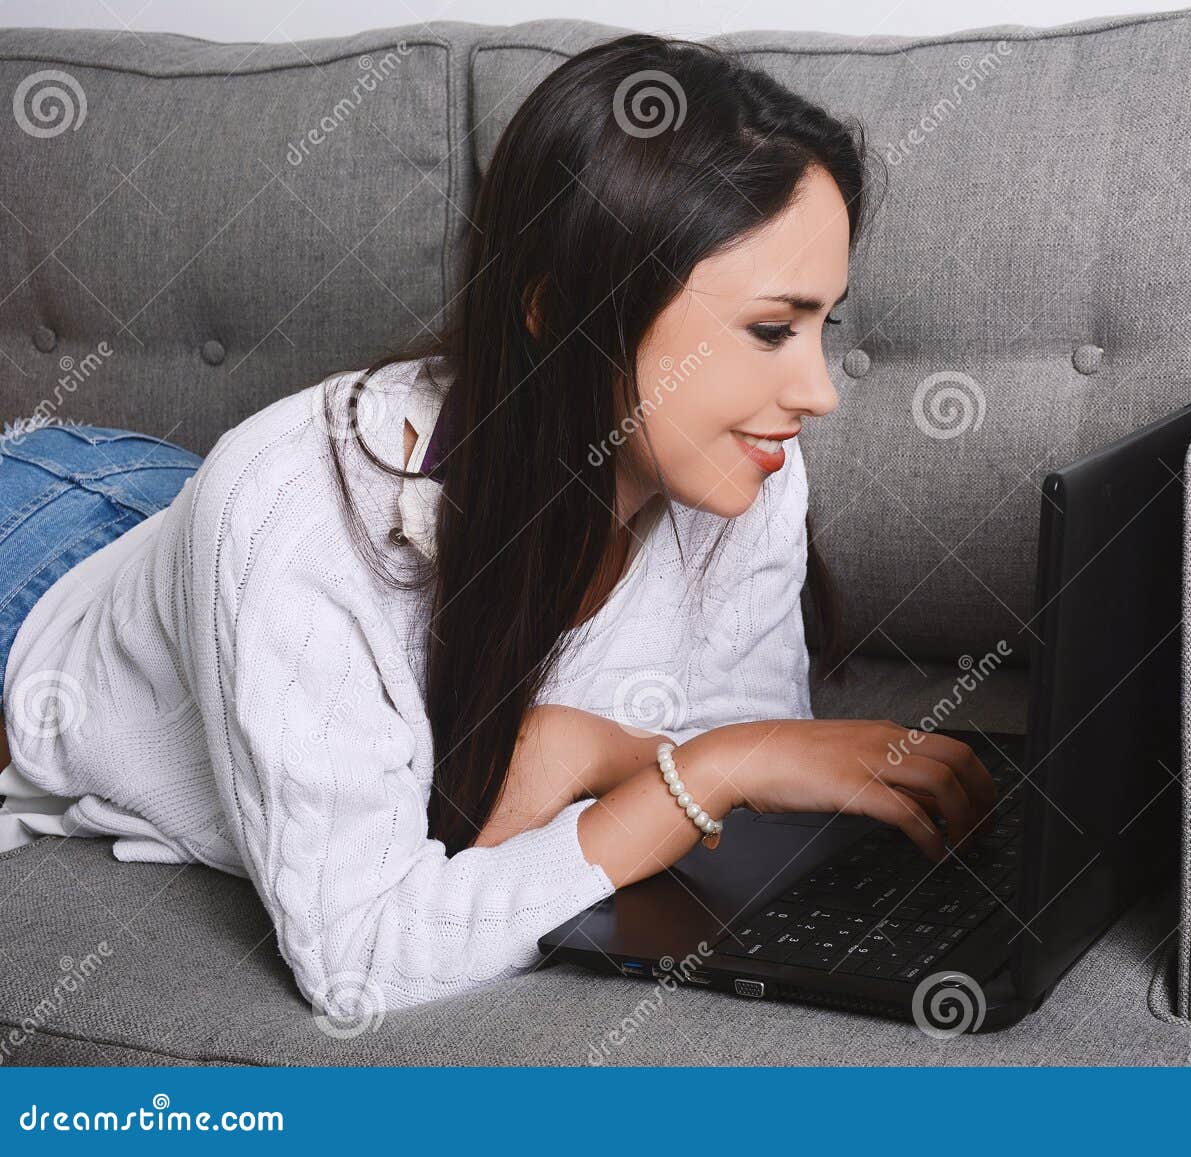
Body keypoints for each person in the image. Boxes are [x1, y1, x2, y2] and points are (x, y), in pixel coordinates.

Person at [0, 33, 994, 1019]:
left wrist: (591, 750)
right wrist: (701, 769)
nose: (814, 389)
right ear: (559, 310)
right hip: (38, 548)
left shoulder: (749, 466)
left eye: (825, 324)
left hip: (169, 527)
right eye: (772, 329)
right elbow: (361, 953)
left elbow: (734, 785)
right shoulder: (299, 518)